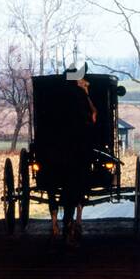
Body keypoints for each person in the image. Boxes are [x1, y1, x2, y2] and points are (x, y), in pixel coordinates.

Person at [45, 67, 97, 246]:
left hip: (55, 147)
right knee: (75, 184)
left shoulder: (54, 95)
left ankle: (56, 223)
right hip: (77, 147)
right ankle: (69, 224)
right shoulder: (80, 95)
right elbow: (93, 117)